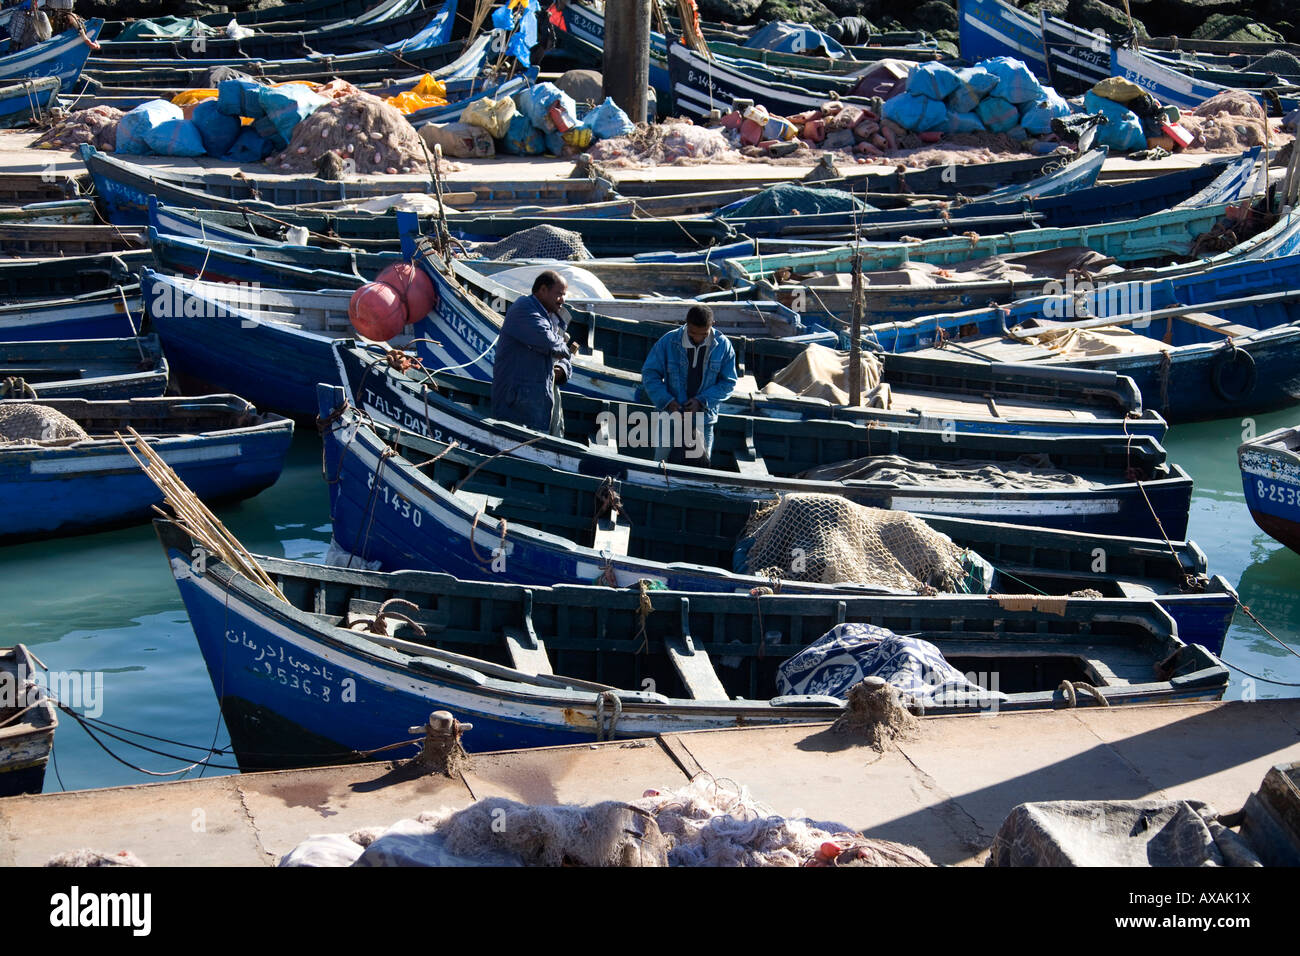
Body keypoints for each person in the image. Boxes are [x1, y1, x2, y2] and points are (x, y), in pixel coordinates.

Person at [640, 304, 738, 465]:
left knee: (700, 472)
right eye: (693, 334)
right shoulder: (668, 341)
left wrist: (701, 401)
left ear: (712, 324)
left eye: (703, 334)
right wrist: (667, 401)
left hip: (704, 420)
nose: (698, 338)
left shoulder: (724, 346)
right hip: (671, 416)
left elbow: (728, 383)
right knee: (661, 466)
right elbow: (650, 374)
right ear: (686, 324)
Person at [491, 270, 574, 436]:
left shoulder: (553, 317)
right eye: (559, 294)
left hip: (535, 403)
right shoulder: (523, 308)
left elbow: (558, 353)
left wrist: (564, 368)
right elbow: (548, 341)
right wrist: (565, 349)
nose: (563, 300)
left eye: (564, 295)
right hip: (515, 405)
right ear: (543, 290)